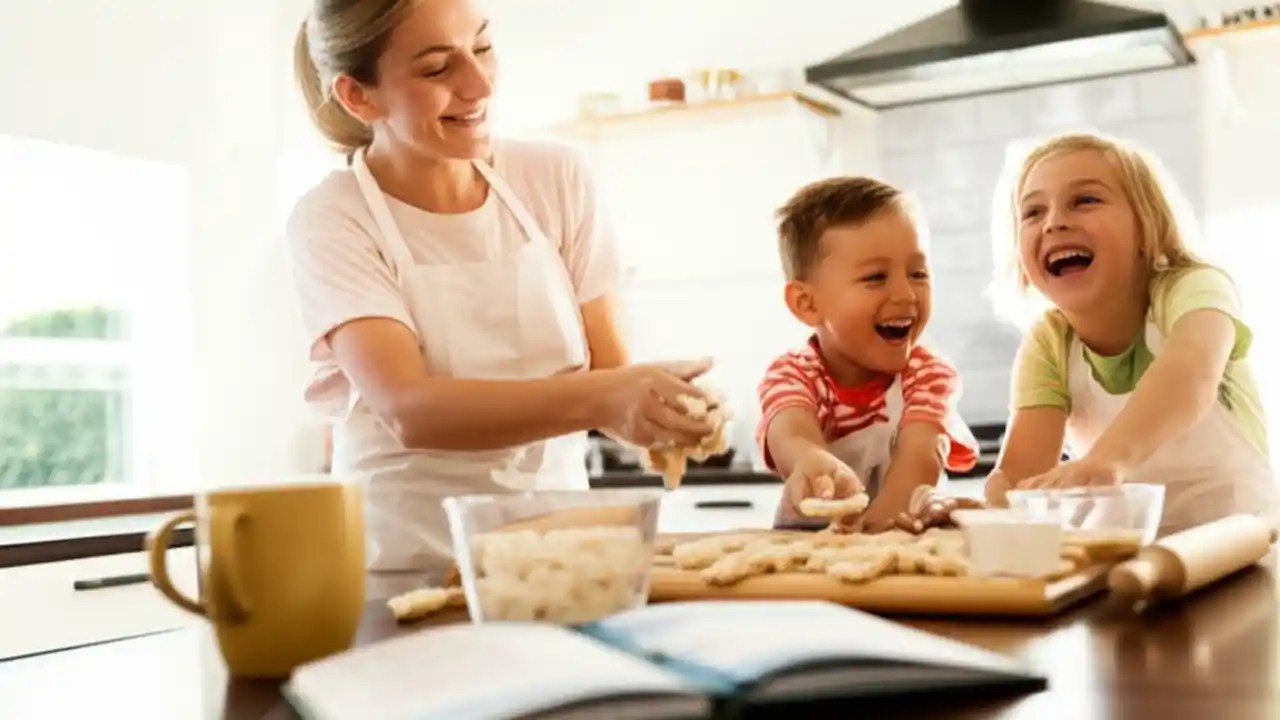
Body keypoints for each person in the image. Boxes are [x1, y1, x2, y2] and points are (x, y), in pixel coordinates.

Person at [286, 0, 715, 593]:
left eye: (482, 48)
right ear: (361, 97)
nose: (479, 84)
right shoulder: (333, 217)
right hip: (410, 569)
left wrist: (669, 411)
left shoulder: (554, 177)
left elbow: (611, 372)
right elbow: (409, 410)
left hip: (563, 558)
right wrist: (605, 398)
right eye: (438, 68)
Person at [983, 131, 1279, 535]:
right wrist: (985, 507)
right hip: (1124, 553)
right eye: (1032, 212)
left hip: (1244, 543)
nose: (1054, 222)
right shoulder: (1049, 343)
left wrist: (1108, 459)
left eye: (1085, 200)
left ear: (1147, 226)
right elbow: (1021, 474)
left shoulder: (1192, 288)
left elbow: (1190, 375)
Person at [756, 176, 979, 532]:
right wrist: (813, 463)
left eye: (918, 273)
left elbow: (920, 454)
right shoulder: (795, 373)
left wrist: (876, 532)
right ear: (807, 303)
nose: (906, 294)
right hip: (812, 542)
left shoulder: (927, 373)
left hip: (905, 530)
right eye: (876, 277)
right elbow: (791, 433)